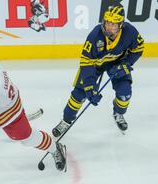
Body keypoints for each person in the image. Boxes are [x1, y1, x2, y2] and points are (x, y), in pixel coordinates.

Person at [52, 5, 144, 137]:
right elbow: (86, 62)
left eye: (114, 24)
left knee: (125, 93)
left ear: (121, 24)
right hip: (94, 65)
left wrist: (126, 63)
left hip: (117, 63)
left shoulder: (130, 32)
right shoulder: (95, 35)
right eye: (108, 22)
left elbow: (138, 49)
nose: (109, 27)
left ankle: (118, 113)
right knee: (79, 94)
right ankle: (66, 121)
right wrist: (90, 87)